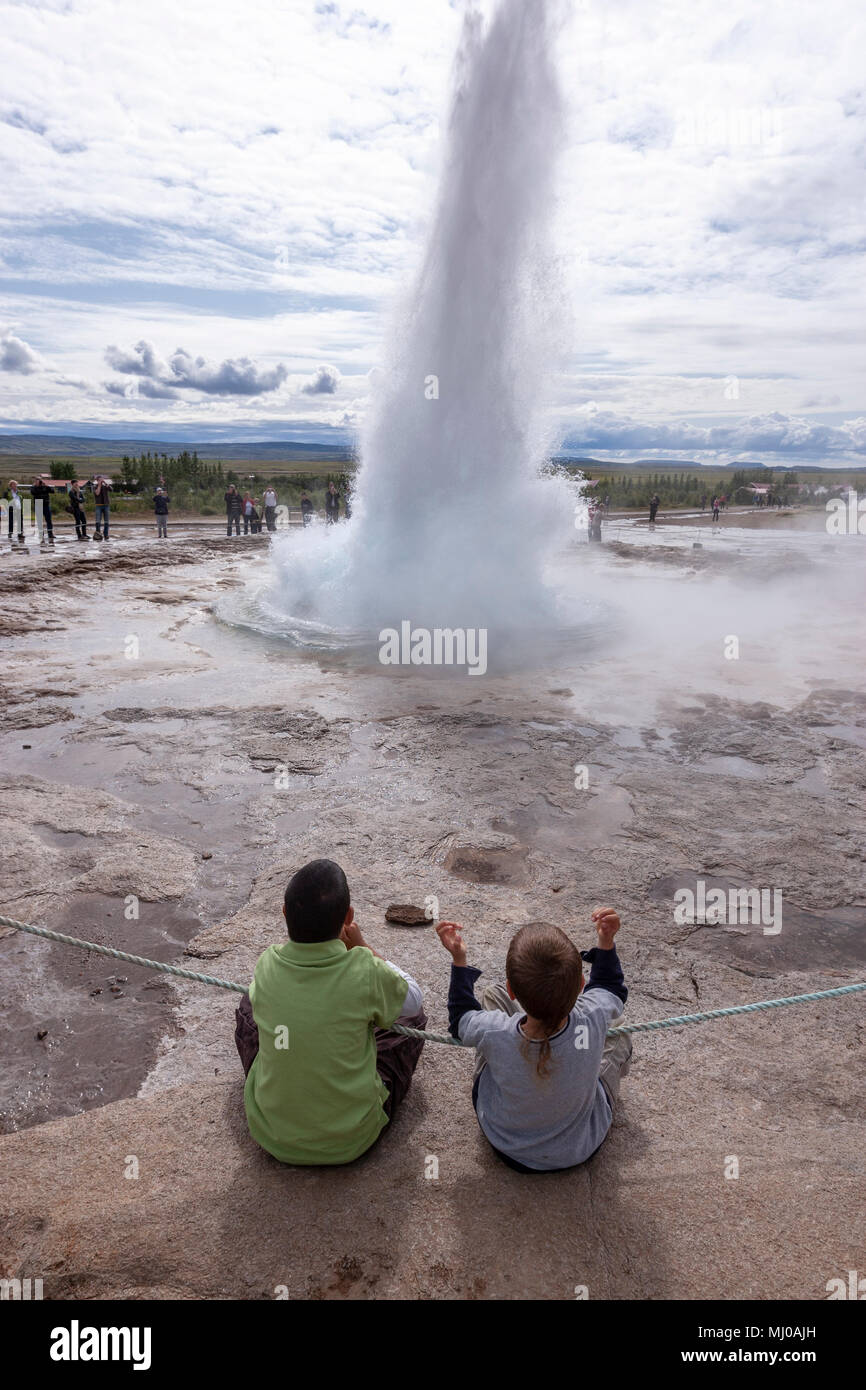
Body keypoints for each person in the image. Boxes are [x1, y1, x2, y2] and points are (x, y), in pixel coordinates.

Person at [235, 859, 426, 1165]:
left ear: (284, 913)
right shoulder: (364, 969)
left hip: (273, 1134)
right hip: (352, 1139)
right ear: (348, 917)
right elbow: (413, 999)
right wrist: (363, 947)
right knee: (411, 1021)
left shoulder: (267, 963)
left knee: (249, 1006)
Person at [436, 907, 631, 1174]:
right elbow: (611, 988)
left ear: (512, 991)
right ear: (582, 984)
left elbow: (461, 1020)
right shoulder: (592, 1015)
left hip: (507, 1145)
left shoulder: (495, 1031)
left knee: (489, 1000)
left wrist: (459, 960)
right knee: (618, 1027)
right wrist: (605, 942)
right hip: (578, 1146)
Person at [30, 477, 55, 544]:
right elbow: (33, 492)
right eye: (37, 481)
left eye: (39, 481)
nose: (39, 482)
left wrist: (46, 485)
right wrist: (36, 486)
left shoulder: (45, 487)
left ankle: (50, 534)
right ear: (35, 482)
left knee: (49, 520)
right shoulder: (33, 487)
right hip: (38, 505)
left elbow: (52, 491)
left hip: (46, 505)